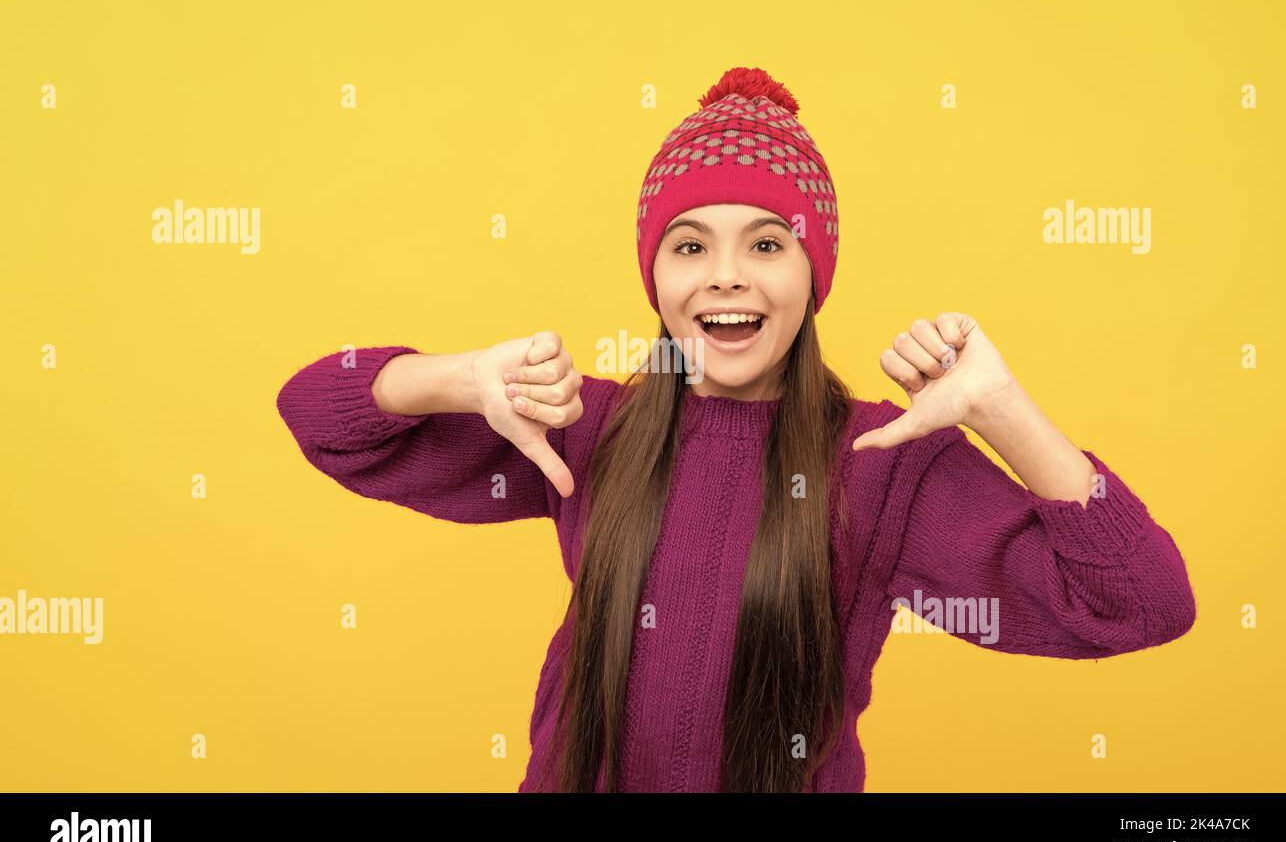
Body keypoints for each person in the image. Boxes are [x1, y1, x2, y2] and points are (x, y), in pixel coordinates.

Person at [275, 66, 1196, 793]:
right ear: (657, 278)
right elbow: (319, 414)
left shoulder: (883, 466)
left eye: (766, 243)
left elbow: (1143, 604)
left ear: (811, 273)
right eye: (690, 244)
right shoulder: (587, 428)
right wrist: (461, 380)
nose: (726, 276)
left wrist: (1005, 409)